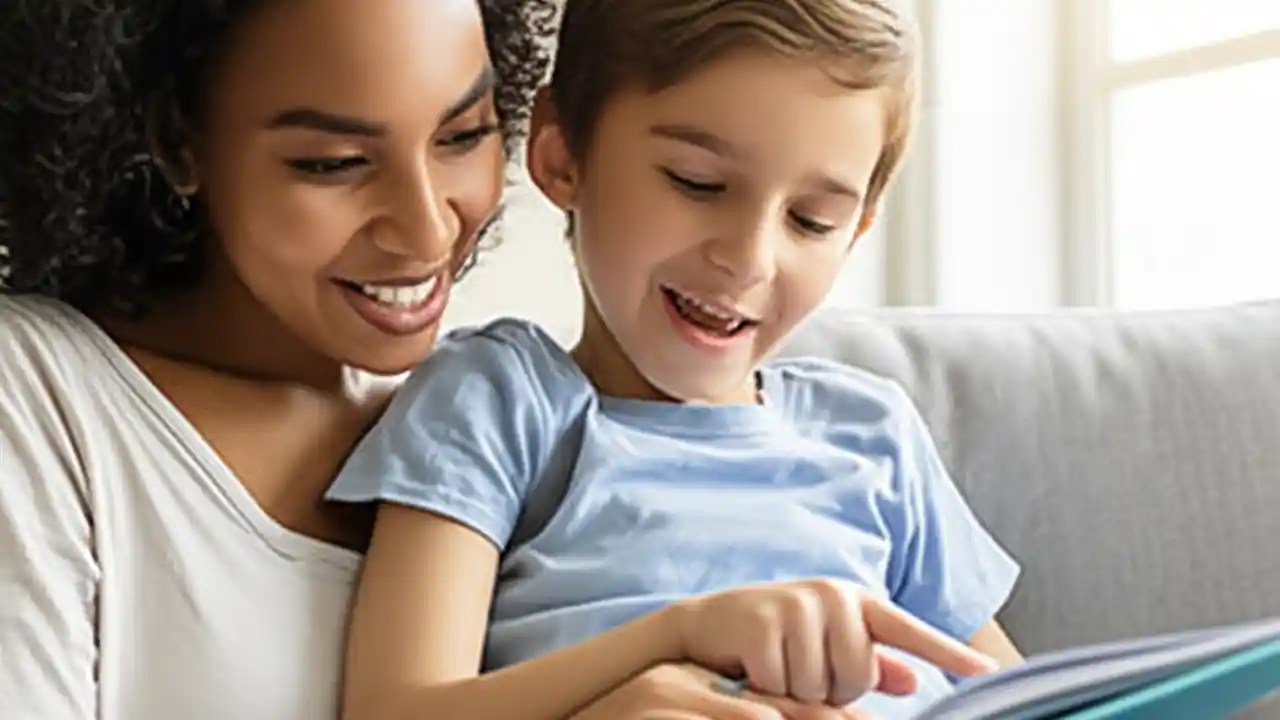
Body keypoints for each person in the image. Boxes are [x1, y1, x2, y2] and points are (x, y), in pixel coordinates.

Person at [328, 0, 1024, 719]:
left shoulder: (872, 432)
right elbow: (397, 709)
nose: (748, 259)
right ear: (562, 156)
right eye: (698, 182)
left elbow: (1027, 696)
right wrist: (679, 636)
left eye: (811, 221)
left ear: (857, 230)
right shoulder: (498, 402)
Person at [0, 1, 561, 717]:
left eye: (462, 135)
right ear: (177, 141)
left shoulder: (498, 414)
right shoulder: (41, 403)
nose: (426, 231)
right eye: (335, 164)